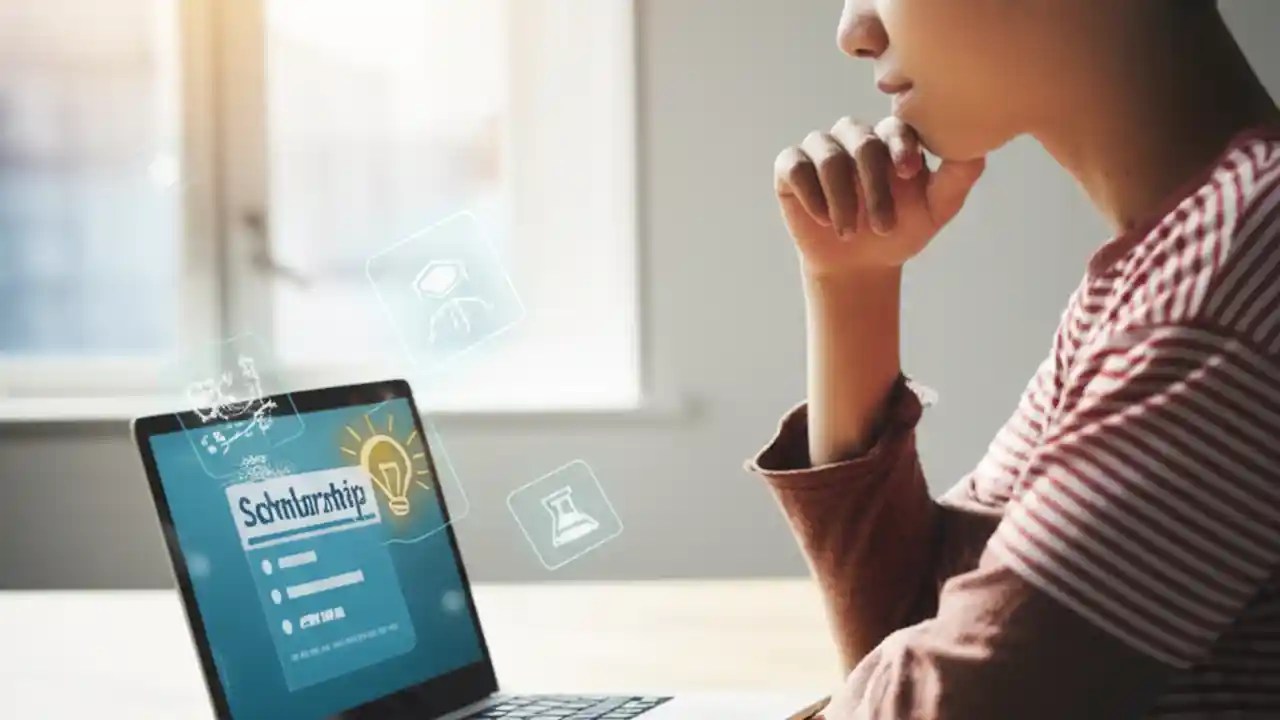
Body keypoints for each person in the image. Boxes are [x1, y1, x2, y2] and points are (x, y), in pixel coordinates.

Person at [747, 1, 1280, 717]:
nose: (854, 33)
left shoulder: (1237, 266)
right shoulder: (1181, 261)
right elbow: (918, 641)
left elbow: (961, 701)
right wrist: (851, 287)